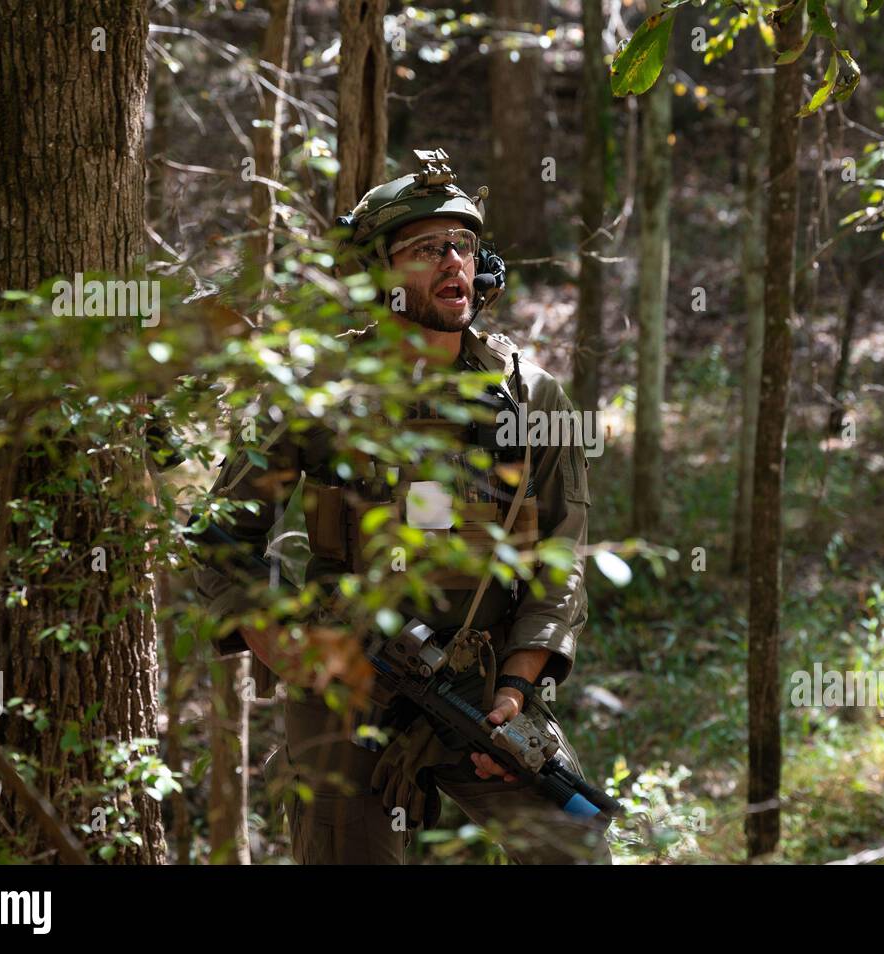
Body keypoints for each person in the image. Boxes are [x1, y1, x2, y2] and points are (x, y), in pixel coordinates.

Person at [193, 148, 610, 864]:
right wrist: (293, 649)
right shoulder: (315, 393)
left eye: (466, 245)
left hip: (479, 690)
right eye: (426, 249)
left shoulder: (530, 396)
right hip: (349, 695)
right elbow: (222, 539)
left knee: (572, 846)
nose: (454, 262)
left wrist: (513, 693)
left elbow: (559, 553)